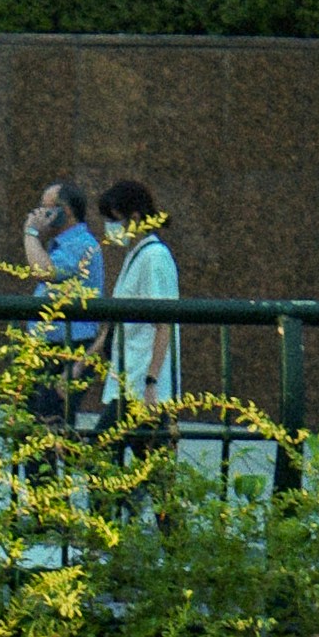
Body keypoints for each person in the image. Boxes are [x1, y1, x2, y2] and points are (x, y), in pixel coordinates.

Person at [102, 174, 181, 440]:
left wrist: (152, 381)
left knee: (104, 450)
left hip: (142, 385)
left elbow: (164, 324)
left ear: (133, 217)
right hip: (129, 381)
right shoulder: (135, 256)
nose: (111, 228)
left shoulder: (154, 258)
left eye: (115, 220)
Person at [22, 175, 104, 430]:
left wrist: (31, 233)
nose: (40, 213)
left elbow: (44, 271)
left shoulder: (80, 245)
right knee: (32, 428)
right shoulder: (60, 245)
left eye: (47, 208)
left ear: (65, 211)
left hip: (68, 349)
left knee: (49, 425)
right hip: (47, 348)